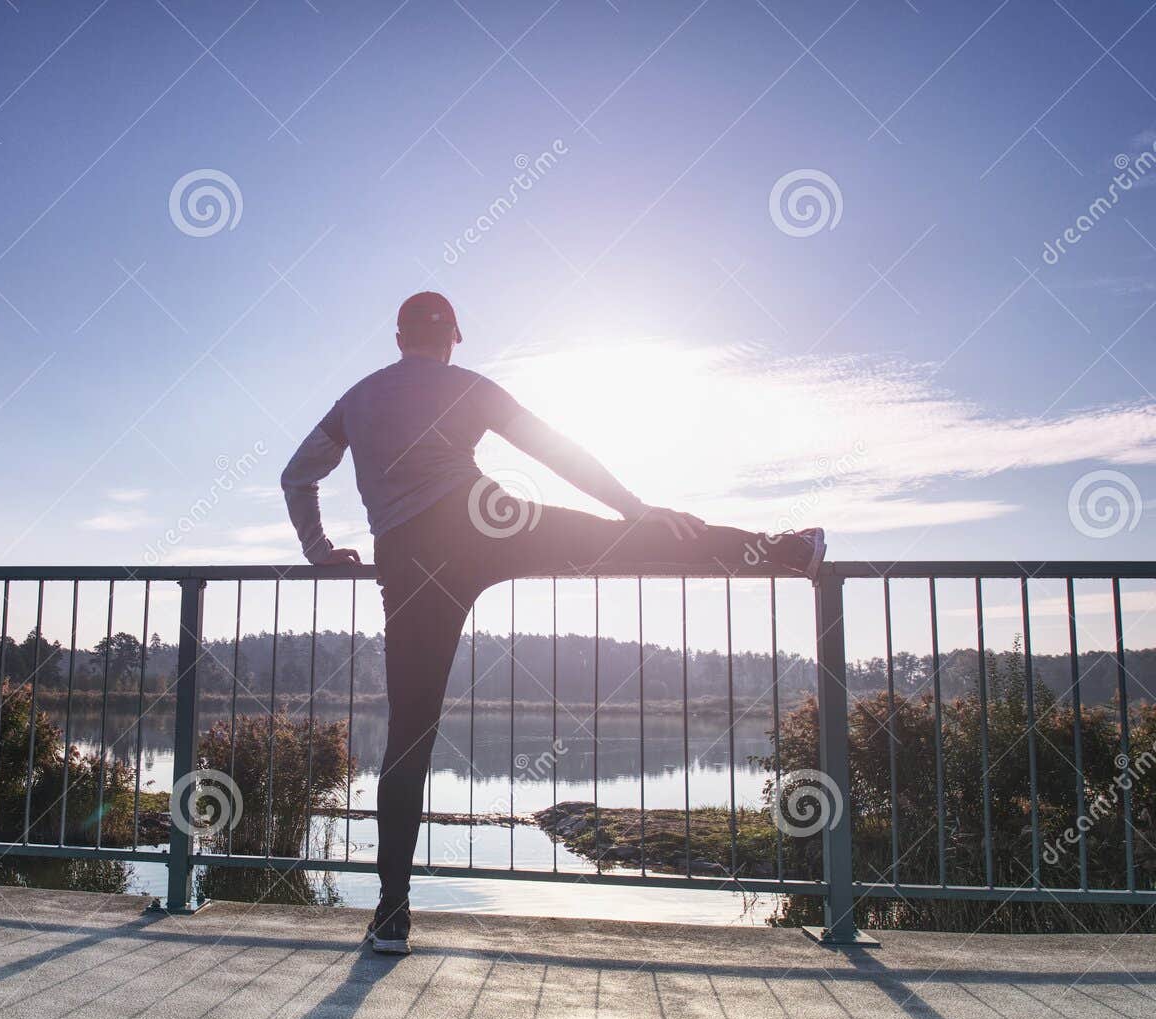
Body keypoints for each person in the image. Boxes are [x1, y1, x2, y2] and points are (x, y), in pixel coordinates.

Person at [281, 292, 823, 955]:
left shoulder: (355, 399)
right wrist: (632, 507)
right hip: (485, 522)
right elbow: (556, 450)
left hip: (407, 557)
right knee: (631, 541)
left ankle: (391, 915)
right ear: (454, 336)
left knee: (408, 734)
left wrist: (318, 550)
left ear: (397, 340)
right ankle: (786, 551)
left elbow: (296, 475)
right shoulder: (467, 384)